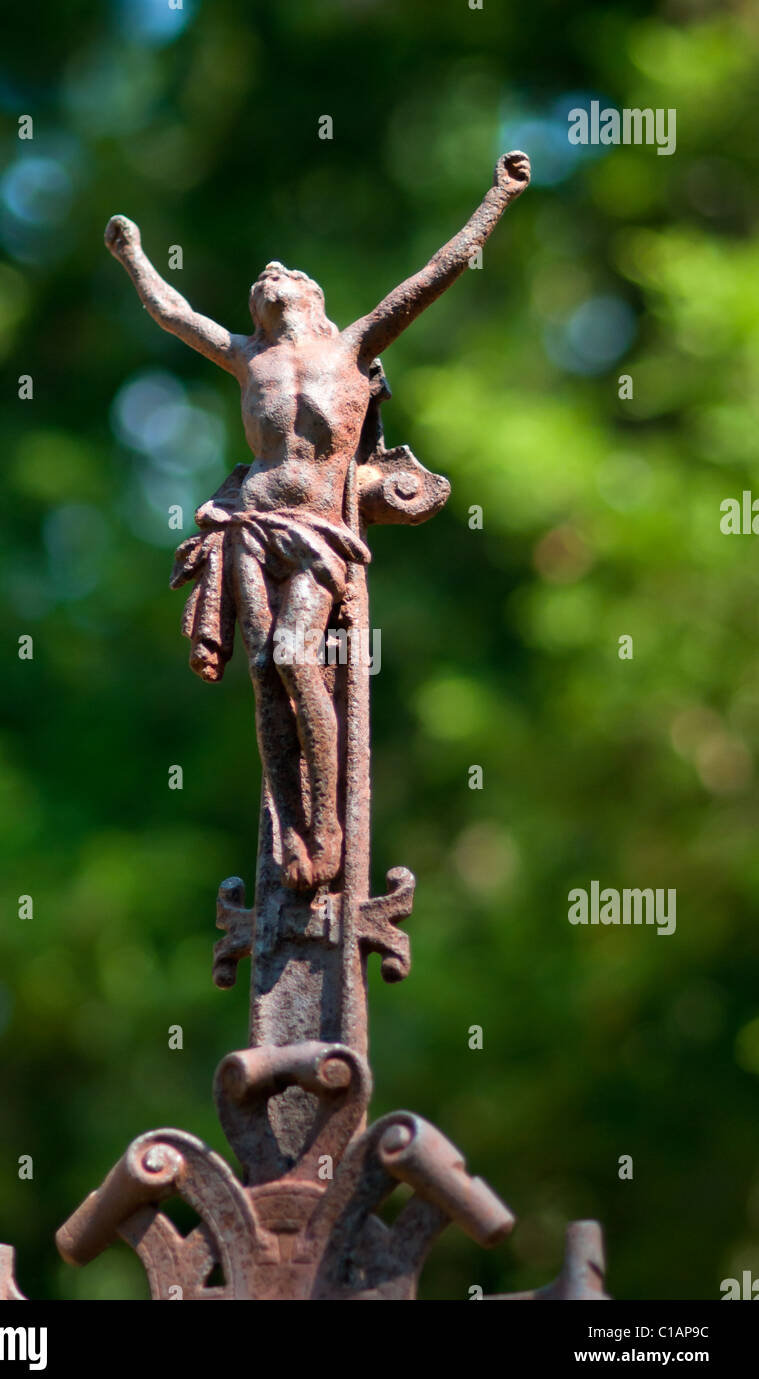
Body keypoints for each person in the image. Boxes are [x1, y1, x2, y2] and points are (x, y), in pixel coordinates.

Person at [104, 150, 530, 892]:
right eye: (258, 280)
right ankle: (290, 831)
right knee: (268, 673)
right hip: (250, 526)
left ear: (314, 296)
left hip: (320, 534)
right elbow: (172, 313)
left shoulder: (354, 343)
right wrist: (133, 254)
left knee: (299, 657)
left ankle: (326, 826)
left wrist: (497, 194)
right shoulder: (246, 357)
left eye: (285, 273)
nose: (270, 272)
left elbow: (439, 271)